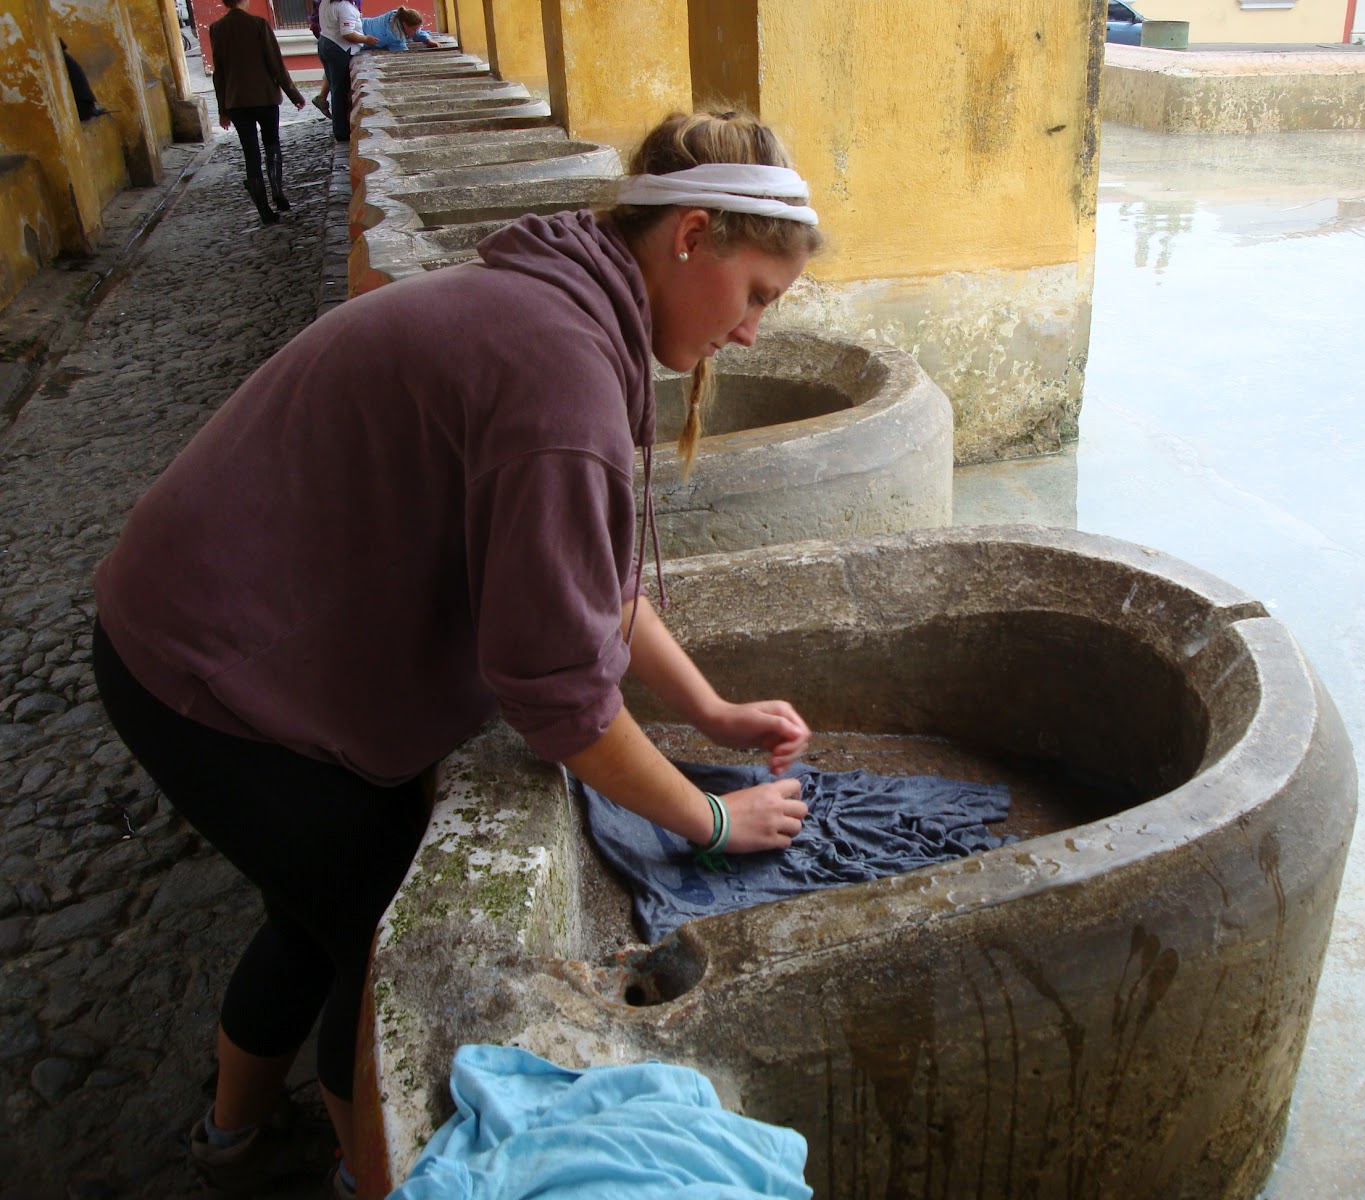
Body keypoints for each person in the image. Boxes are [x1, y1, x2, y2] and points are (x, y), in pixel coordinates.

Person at [91, 109, 824, 1199]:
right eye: (757, 294)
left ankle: (229, 1141)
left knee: (307, 906)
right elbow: (562, 702)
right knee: (375, 940)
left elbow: (591, 588)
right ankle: (364, 1175)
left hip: (171, 622)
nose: (753, 331)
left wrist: (710, 714)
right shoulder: (563, 371)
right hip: (210, 673)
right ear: (691, 235)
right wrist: (711, 817)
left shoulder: (558, 304)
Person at [208, 0, 305, 224]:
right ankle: (278, 193)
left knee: (250, 153)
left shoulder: (216, 29)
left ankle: (263, 209)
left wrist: (223, 109)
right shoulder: (259, 24)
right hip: (264, 97)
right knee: (272, 145)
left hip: (236, 101)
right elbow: (276, 64)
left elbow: (219, 72)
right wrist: (294, 95)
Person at [316, 0, 377, 142]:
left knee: (335, 87)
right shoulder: (344, 7)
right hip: (339, 48)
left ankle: (340, 128)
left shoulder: (326, 2)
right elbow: (347, 34)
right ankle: (342, 131)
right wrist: (367, 39)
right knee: (340, 91)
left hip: (326, 42)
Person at [362, 6, 440, 51]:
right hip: (359, 36)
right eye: (413, 30)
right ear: (405, 25)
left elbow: (417, 32)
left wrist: (427, 39)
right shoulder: (395, 37)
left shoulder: (398, 15)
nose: (415, 32)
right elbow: (403, 53)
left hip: (362, 23)